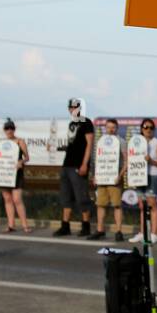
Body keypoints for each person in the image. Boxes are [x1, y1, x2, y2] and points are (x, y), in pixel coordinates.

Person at [54, 98, 95, 237]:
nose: (73, 109)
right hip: (67, 164)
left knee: (81, 197)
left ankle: (86, 226)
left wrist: (84, 163)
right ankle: (65, 226)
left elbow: (89, 144)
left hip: (78, 165)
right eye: (71, 107)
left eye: (75, 107)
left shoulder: (86, 122)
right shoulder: (71, 123)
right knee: (66, 196)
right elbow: (73, 144)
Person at [129, 118, 157, 243]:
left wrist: (151, 161)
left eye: (151, 128)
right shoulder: (136, 142)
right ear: (141, 129)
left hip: (152, 175)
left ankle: (154, 234)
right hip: (139, 175)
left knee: (152, 204)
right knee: (141, 205)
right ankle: (142, 232)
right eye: (146, 127)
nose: (148, 130)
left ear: (154, 130)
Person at [90, 118, 126, 242]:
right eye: (108, 127)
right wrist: (95, 176)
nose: (111, 129)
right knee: (100, 204)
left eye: (113, 127)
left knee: (117, 205)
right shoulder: (101, 141)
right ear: (105, 128)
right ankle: (100, 230)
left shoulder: (121, 141)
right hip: (102, 177)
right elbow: (97, 160)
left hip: (115, 178)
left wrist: (120, 175)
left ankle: (119, 231)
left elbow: (127, 161)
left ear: (117, 128)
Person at [0, 119, 32, 234]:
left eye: (11, 128)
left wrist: (21, 162)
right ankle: (11, 224)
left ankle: (25, 225)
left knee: (17, 199)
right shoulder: (1, 143)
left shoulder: (20, 141)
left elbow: (27, 157)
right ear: (4, 130)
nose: (9, 130)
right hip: (4, 174)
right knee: (7, 198)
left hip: (17, 174)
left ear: (14, 129)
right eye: (7, 128)